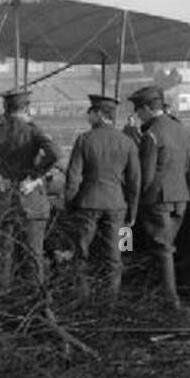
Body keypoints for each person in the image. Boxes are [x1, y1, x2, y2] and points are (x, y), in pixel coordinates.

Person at [0, 88, 60, 288]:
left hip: (6, 201)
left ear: (5, 109)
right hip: (31, 201)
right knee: (34, 255)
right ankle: (37, 301)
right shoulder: (32, 130)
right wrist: (35, 175)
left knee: (7, 256)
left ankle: (7, 297)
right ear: (26, 108)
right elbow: (56, 154)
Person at [65, 94, 141, 303]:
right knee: (114, 256)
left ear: (98, 114)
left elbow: (73, 177)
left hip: (88, 203)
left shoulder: (84, 140)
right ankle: (111, 300)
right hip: (117, 204)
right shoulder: (127, 142)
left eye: (90, 112)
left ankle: (82, 297)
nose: (88, 116)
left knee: (81, 253)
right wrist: (132, 212)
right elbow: (135, 182)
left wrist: (70, 204)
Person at [130, 85, 190, 309]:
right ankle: (163, 292)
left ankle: (169, 299)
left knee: (161, 248)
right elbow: (187, 165)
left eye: (139, 110)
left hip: (158, 199)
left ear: (147, 108)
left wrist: (134, 203)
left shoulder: (152, 134)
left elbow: (145, 175)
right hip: (180, 197)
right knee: (167, 245)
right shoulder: (180, 129)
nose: (138, 115)